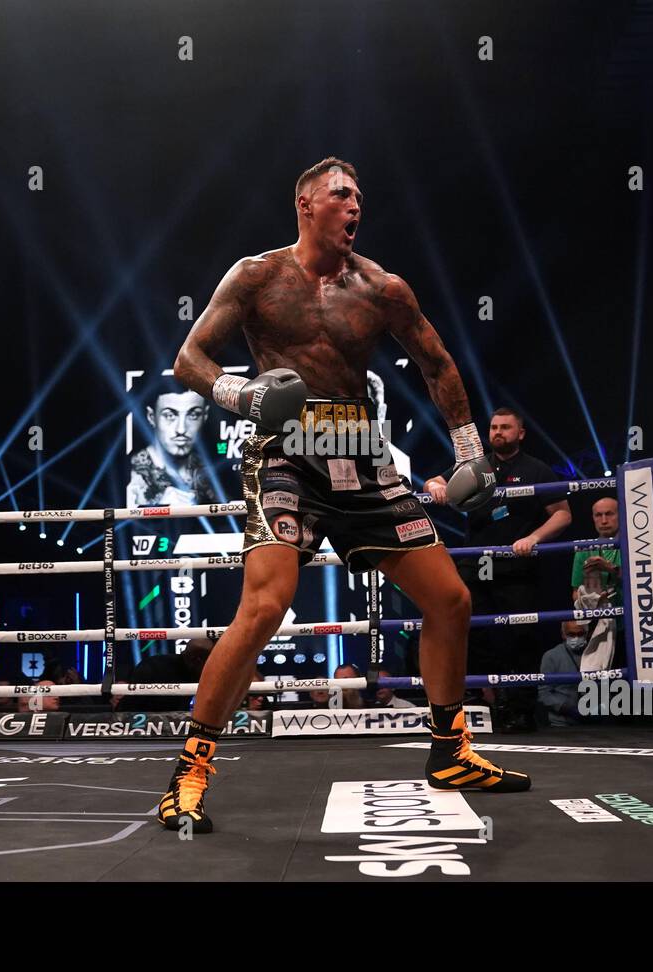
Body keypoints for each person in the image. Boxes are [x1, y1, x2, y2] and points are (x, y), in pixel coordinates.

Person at [159, 157, 530, 833]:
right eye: (342, 195)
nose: (356, 206)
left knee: (450, 598)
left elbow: (437, 362)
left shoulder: (383, 287)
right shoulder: (257, 276)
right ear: (307, 204)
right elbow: (189, 360)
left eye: (360, 196)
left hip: (359, 453)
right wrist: (243, 393)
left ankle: (450, 752)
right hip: (285, 455)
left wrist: (471, 452)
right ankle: (189, 773)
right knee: (266, 606)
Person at [425, 407, 570, 732]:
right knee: (471, 632)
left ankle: (519, 708)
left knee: (519, 638)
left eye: (505, 427)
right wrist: (435, 485)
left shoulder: (536, 469)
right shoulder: (476, 466)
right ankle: (481, 702)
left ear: (520, 433)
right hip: (475, 564)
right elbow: (434, 479)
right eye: (493, 427)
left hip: (516, 568)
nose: (498, 432)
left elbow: (562, 513)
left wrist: (533, 537)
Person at [126, 383, 215, 507]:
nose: (181, 429)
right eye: (170, 416)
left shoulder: (213, 470)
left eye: (193, 415)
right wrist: (160, 509)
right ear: (152, 417)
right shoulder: (130, 473)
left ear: (205, 416)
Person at [117, 639, 212, 712]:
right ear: (197, 660)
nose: (213, 665)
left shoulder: (192, 668)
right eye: (210, 661)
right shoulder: (154, 667)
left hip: (166, 724)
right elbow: (125, 707)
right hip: (139, 724)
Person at [569, 496, 621, 606]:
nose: (604, 521)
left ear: (621, 515)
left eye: (609, 514)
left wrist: (610, 568)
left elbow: (642, 580)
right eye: (598, 515)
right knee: (568, 623)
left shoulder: (634, 545)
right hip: (598, 614)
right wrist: (591, 601)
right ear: (593, 518)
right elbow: (575, 592)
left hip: (630, 608)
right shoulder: (584, 549)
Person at [537, 621, 590, 726]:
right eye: (571, 634)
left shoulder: (595, 654)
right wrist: (566, 708)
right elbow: (544, 694)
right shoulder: (551, 656)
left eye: (580, 634)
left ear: (586, 634)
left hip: (595, 722)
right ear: (563, 634)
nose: (576, 638)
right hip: (561, 723)